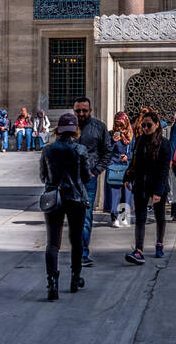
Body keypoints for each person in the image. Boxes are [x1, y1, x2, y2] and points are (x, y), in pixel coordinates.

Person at [38, 110, 94, 300]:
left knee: (53, 243)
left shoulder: (47, 150)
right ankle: (75, 278)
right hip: (76, 198)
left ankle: (52, 283)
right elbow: (86, 177)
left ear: (58, 131)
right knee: (76, 240)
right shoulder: (80, 150)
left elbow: (43, 176)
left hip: (54, 197)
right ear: (75, 130)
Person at [125, 109, 171, 265]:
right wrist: (128, 177)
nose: (145, 128)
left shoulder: (164, 144)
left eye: (149, 125)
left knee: (159, 216)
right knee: (140, 218)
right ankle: (138, 250)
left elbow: (164, 169)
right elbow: (135, 162)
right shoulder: (139, 140)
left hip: (157, 186)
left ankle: (159, 243)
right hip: (141, 185)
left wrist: (158, 191)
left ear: (157, 125)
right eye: (143, 125)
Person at [73, 97, 113, 265]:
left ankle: (82, 254)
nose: (81, 114)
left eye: (84, 110)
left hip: (88, 178)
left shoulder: (98, 128)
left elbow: (108, 150)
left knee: (86, 216)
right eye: (78, 111)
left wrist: (96, 171)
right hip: (69, 179)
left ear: (90, 111)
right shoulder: (68, 127)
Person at [104, 111, 135, 227]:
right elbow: (107, 151)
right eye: (117, 125)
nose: (119, 128)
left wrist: (128, 157)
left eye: (121, 125)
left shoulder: (131, 136)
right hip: (115, 168)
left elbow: (134, 150)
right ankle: (114, 217)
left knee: (127, 193)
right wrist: (113, 141)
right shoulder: (111, 135)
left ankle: (124, 216)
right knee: (114, 193)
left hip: (127, 168)